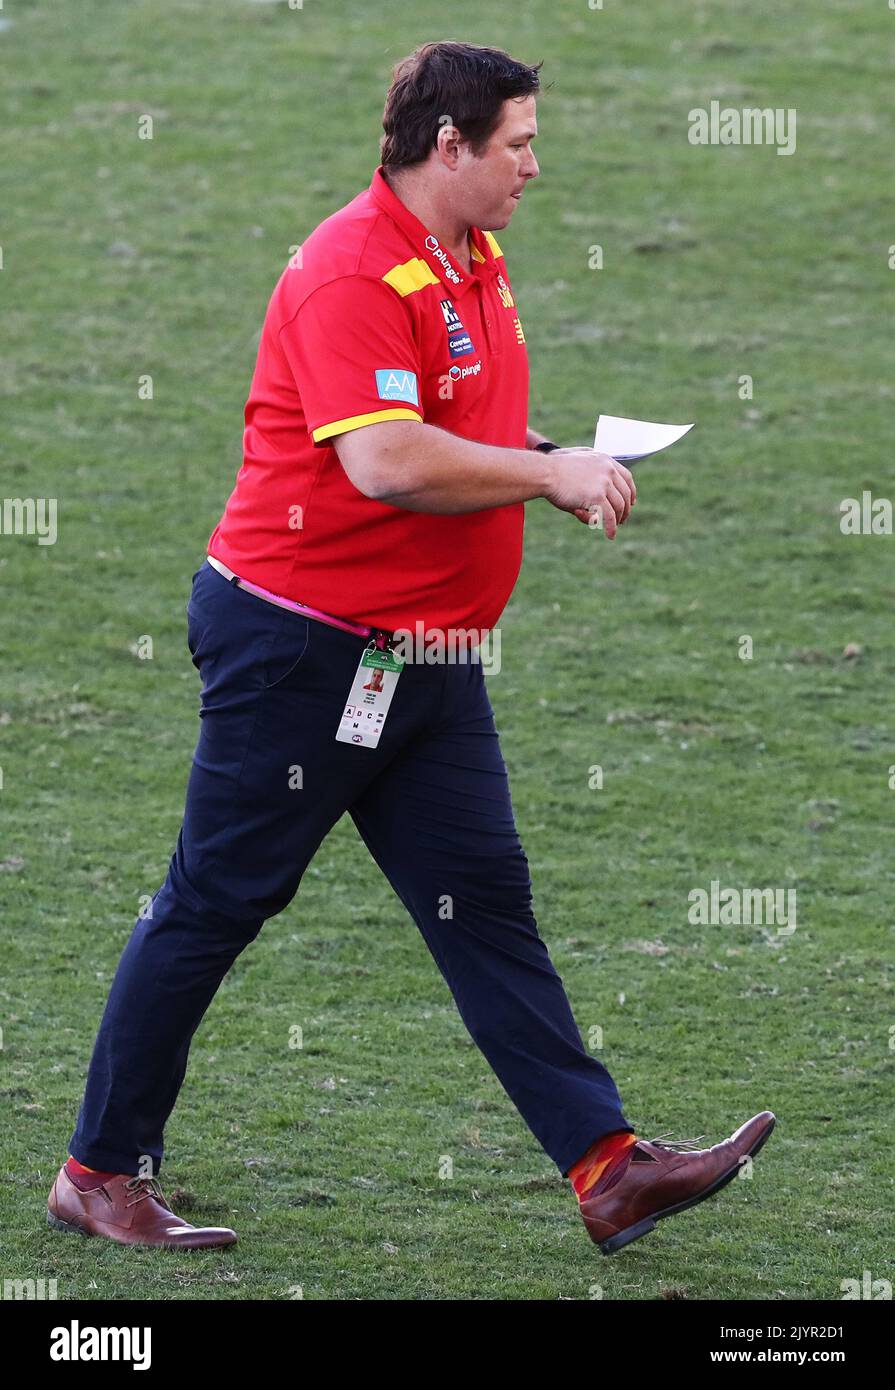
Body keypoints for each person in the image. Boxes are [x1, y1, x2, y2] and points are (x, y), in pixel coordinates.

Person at [48, 40, 774, 1256]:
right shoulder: (350, 271)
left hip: (426, 658)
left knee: (485, 904)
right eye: (519, 143)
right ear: (451, 145)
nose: (535, 167)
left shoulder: (470, 258)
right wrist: (547, 472)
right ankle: (96, 1171)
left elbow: (452, 423)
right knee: (212, 903)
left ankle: (606, 1167)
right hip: (303, 652)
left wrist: (544, 450)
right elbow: (382, 457)